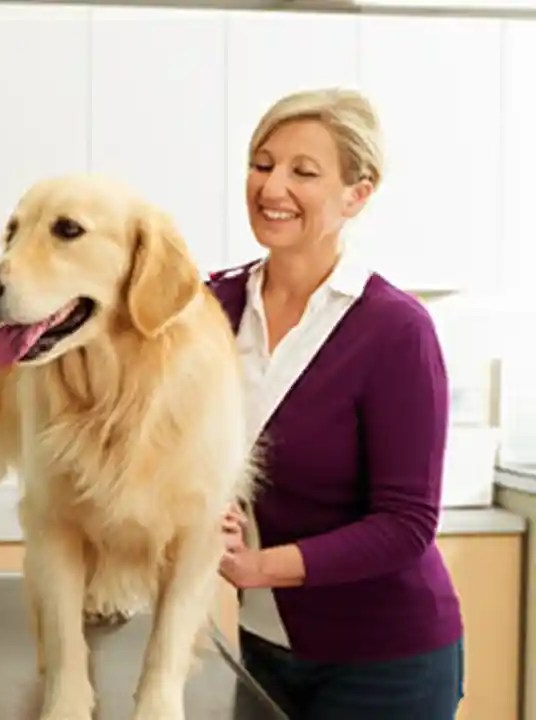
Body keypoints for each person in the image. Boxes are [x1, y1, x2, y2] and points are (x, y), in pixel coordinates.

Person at [208, 87, 464, 719]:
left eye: (304, 172)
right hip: (263, 643)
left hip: (386, 664)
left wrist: (260, 567)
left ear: (357, 194)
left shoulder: (395, 329)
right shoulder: (212, 307)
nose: (272, 187)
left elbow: (406, 523)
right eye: (262, 164)